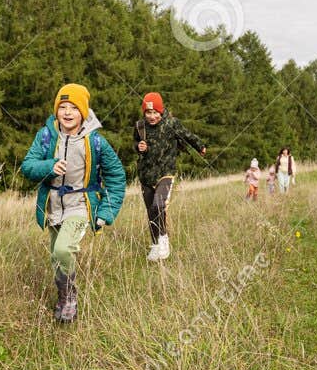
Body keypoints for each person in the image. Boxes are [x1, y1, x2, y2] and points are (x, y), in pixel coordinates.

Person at [19, 83, 126, 322]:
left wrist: (107, 211)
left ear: (84, 112)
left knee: (63, 249)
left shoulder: (96, 142)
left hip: (80, 205)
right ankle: (62, 295)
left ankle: (70, 298)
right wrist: (49, 166)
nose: (67, 112)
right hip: (53, 205)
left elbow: (116, 176)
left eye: (73, 108)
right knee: (57, 256)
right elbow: (27, 166)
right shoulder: (46, 135)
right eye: (62, 107)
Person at [133, 92, 207, 263]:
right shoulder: (140, 126)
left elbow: (187, 135)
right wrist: (139, 146)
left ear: (161, 110)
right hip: (146, 174)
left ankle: (163, 239)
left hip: (165, 172)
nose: (152, 116)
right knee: (151, 210)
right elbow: (135, 143)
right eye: (148, 113)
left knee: (158, 205)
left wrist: (200, 146)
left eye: (155, 112)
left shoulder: (171, 123)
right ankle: (155, 244)